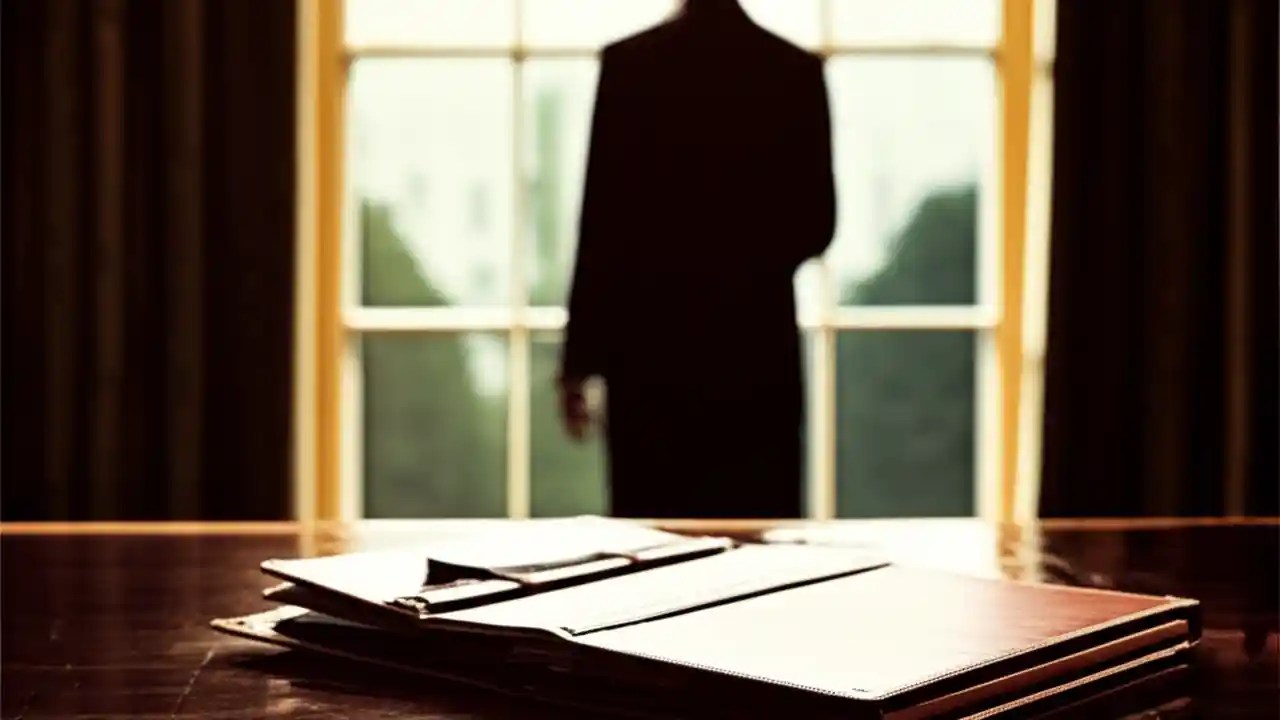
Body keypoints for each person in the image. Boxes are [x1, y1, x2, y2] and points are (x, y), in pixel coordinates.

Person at [558, 0, 836, 519]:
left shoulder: (628, 66)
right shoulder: (794, 71)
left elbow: (601, 223)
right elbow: (816, 225)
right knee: (758, 539)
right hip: (755, 346)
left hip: (650, 351)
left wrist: (579, 360)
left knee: (654, 539)